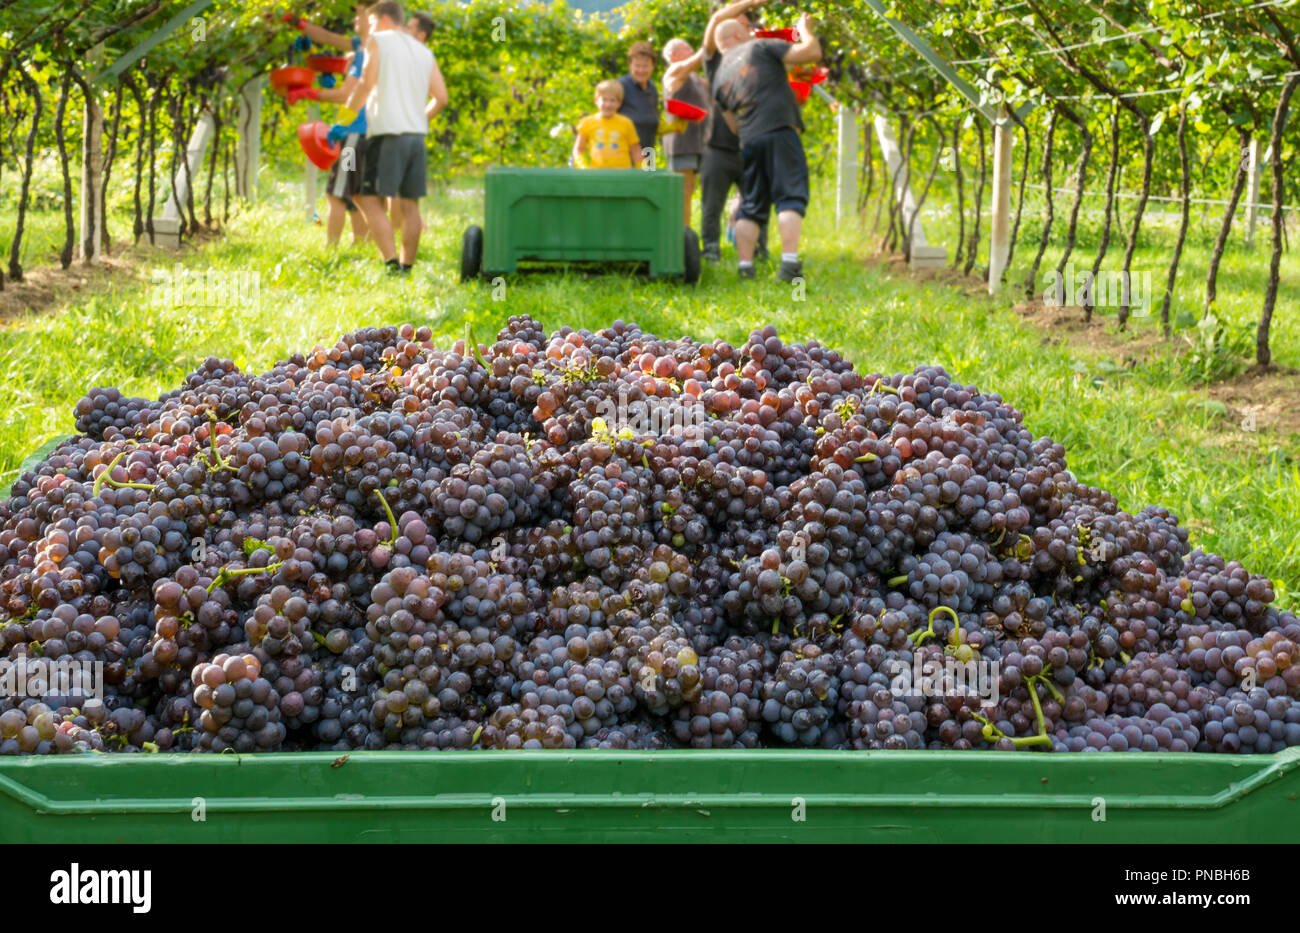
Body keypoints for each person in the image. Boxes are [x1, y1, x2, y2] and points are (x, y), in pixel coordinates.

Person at [713, 11, 821, 282]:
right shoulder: (759, 46)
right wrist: (804, 28)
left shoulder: (719, 76)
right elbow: (811, 52)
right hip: (779, 131)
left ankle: (745, 268)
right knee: (789, 196)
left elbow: (733, 124)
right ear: (738, 34)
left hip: (749, 140)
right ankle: (789, 266)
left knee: (751, 204)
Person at [342, 1, 448, 275]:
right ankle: (407, 268)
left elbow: (366, 84)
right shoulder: (424, 52)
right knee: (411, 205)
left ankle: (390, 264)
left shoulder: (378, 40)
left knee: (370, 199)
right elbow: (441, 98)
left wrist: (341, 122)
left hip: (387, 134)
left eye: (373, 22)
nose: (371, 28)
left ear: (385, 20)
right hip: (416, 138)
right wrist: (418, 119)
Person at [280, 3, 373, 246]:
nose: (355, 19)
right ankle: (359, 246)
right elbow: (328, 37)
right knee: (355, 193)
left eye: (359, 14)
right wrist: (299, 23)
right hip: (364, 132)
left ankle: (331, 249)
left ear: (372, 17)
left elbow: (346, 94)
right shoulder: (365, 47)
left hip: (354, 133)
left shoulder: (363, 55)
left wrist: (309, 93)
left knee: (337, 193)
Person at [694, 0, 771, 263]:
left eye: (745, 26)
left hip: (751, 146)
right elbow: (715, 23)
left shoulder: (757, 60)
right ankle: (711, 250)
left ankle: (759, 251)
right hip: (718, 147)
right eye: (734, 24)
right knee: (712, 205)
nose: (738, 30)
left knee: (757, 203)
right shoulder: (715, 60)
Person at [660, 39, 709, 226]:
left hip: (700, 142)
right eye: (686, 47)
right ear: (674, 55)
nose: (691, 49)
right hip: (681, 143)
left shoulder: (695, 78)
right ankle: (682, 237)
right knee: (684, 191)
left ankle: (696, 238)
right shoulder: (673, 71)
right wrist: (715, 34)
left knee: (699, 189)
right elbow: (699, 57)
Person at [573, 80, 643, 169]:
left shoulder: (626, 122)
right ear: (596, 100)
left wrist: (643, 173)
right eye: (604, 99)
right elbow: (578, 149)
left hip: (622, 175)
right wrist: (583, 167)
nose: (608, 104)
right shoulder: (587, 122)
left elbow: (636, 151)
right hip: (597, 175)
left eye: (612, 100)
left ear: (619, 103)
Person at [617, 41, 660, 168]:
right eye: (637, 66)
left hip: (649, 149)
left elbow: (652, 118)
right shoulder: (620, 86)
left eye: (646, 66)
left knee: (649, 184)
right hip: (625, 152)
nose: (641, 70)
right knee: (629, 186)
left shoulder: (652, 88)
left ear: (653, 66)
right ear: (629, 65)